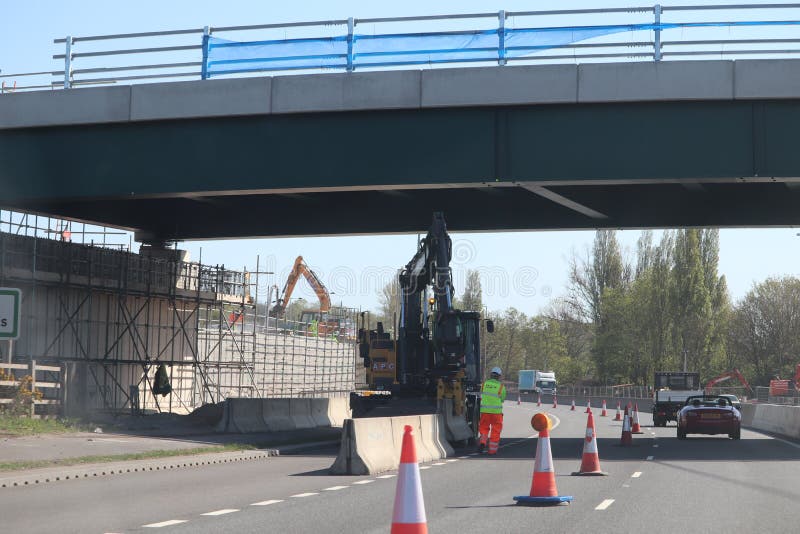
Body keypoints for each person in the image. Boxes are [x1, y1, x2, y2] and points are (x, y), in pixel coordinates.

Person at [478, 367, 507, 455]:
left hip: (485, 412)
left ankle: (483, 442)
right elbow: (502, 399)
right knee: (496, 430)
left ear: (491, 375)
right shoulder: (501, 387)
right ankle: (492, 450)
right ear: (499, 376)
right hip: (496, 413)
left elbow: (481, 394)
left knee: (484, 428)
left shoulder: (484, 384)